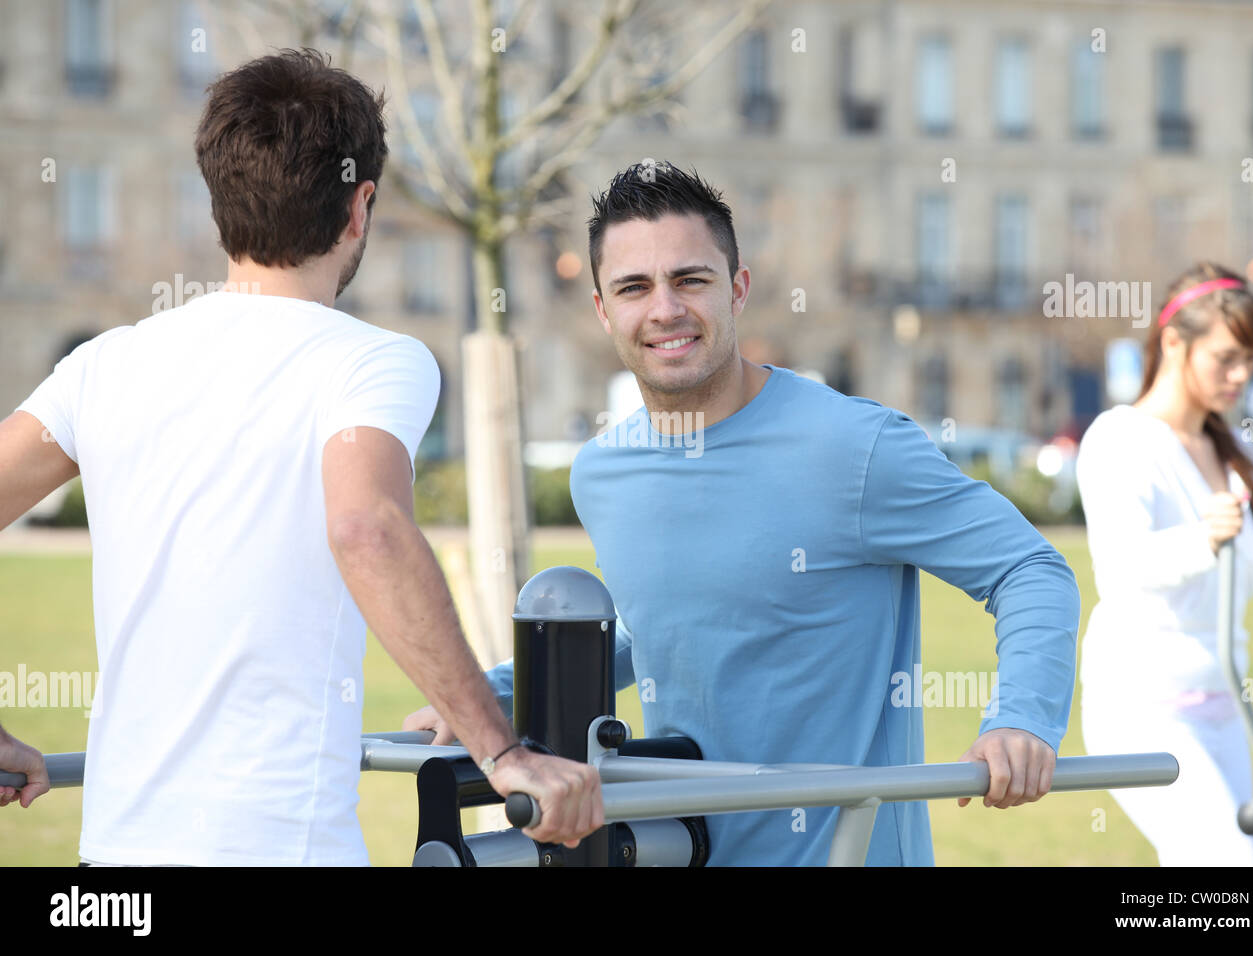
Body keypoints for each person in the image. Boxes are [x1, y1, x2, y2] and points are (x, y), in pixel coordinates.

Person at [0, 49, 601, 864]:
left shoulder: (105, 362)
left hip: (113, 867)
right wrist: (503, 753)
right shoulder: (372, 360)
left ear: (220, 202)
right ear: (361, 206)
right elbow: (366, 528)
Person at [406, 160, 1081, 866]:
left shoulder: (854, 447)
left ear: (738, 289)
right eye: (634, 288)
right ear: (604, 311)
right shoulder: (602, 472)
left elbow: (1028, 568)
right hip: (677, 851)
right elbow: (657, 627)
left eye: (690, 280)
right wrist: (485, 698)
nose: (664, 309)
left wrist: (1020, 720)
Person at [1076, 262, 1253, 866]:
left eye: (1251, 361)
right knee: (1232, 866)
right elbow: (1120, 569)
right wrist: (1200, 537)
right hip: (1141, 708)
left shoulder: (1239, 454)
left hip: (1227, 710)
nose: (1241, 375)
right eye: (1227, 357)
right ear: (1175, 342)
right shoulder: (1120, 439)